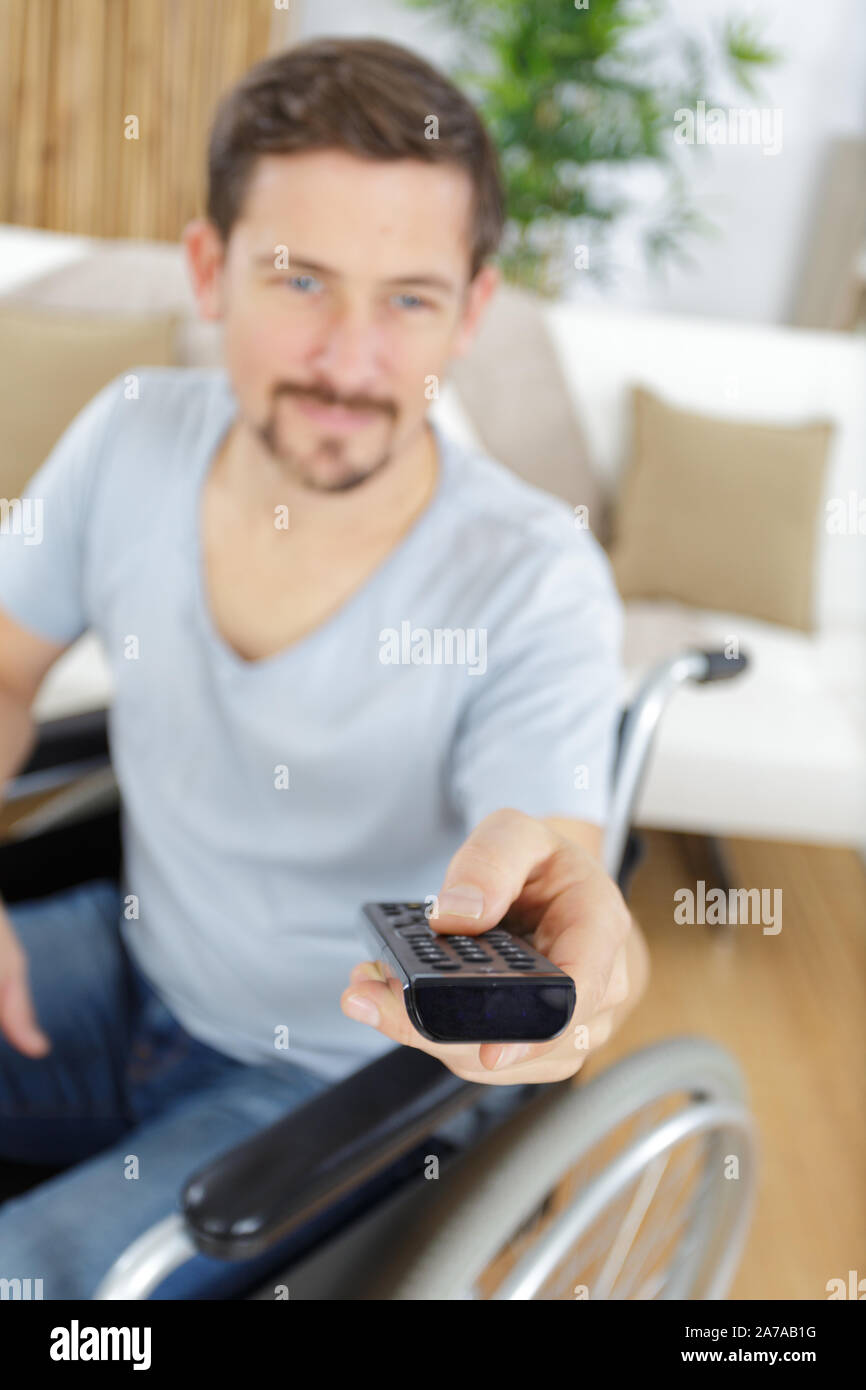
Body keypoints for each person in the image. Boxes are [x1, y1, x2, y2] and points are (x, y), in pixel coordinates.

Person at [0, 36, 649, 1299]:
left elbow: (553, 861)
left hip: (332, 1075)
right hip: (131, 965)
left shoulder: (529, 578)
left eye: (408, 298)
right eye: (300, 281)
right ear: (209, 269)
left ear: (470, 312)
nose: (350, 362)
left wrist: (578, 956)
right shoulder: (130, 433)